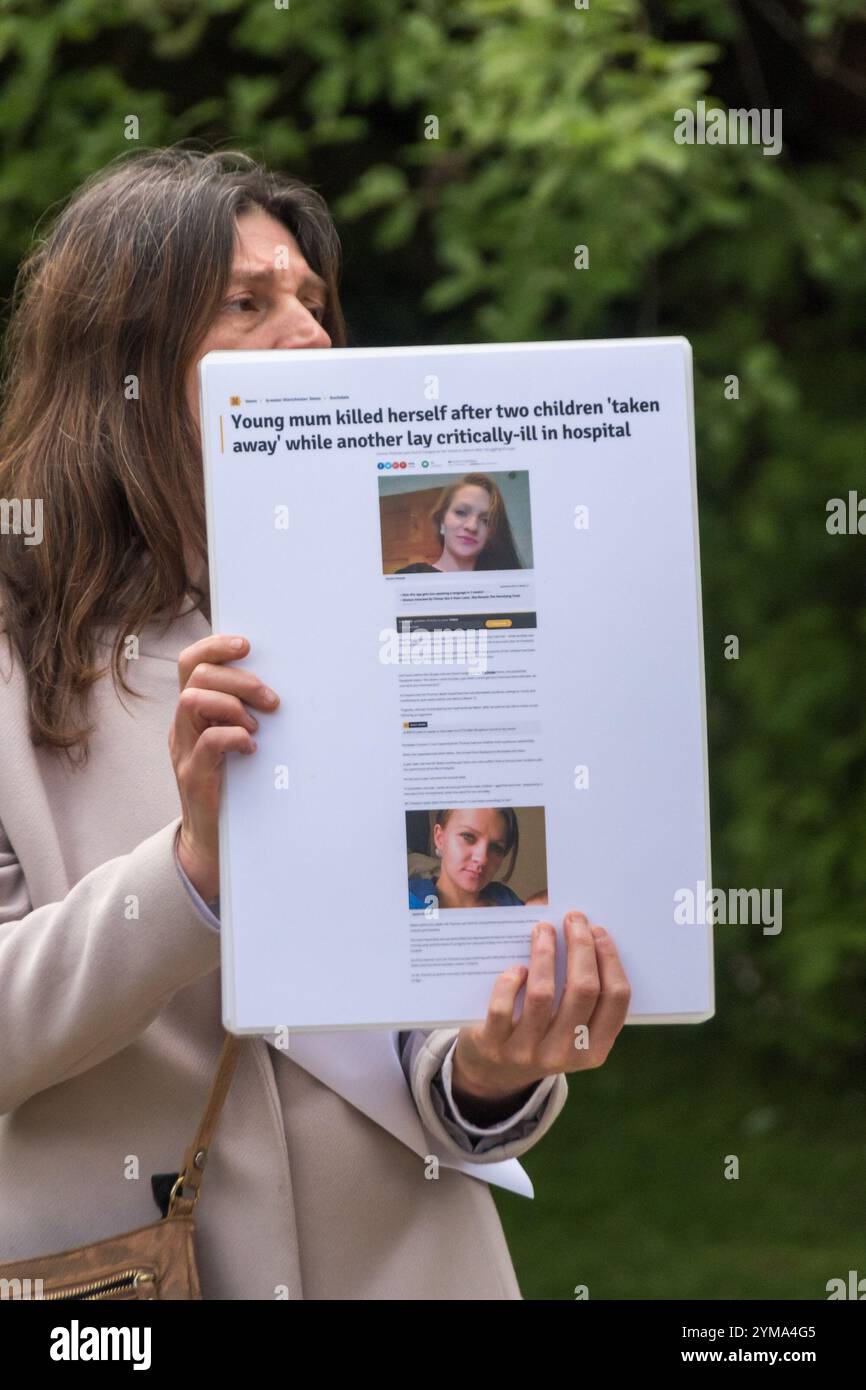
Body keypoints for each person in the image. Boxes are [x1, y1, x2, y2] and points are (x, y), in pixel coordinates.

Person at [0, 146, 631, 1300]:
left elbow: (429, 1000)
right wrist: (193, 873)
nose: (309, 337)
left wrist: (490, 1067)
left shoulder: (400, 604)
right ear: (120, 359)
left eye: (312, 301)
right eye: (248, 303)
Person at [395, 472, 524, 572]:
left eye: (486, 520)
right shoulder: (411, 576)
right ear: (442, 522)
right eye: (461, 512)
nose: (472, 526)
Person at [409, 808, 525, 908]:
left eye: (496, 848)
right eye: (468, 837)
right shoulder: (406, 904)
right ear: (440, 838)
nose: (482, 859)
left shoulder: (513, 906)